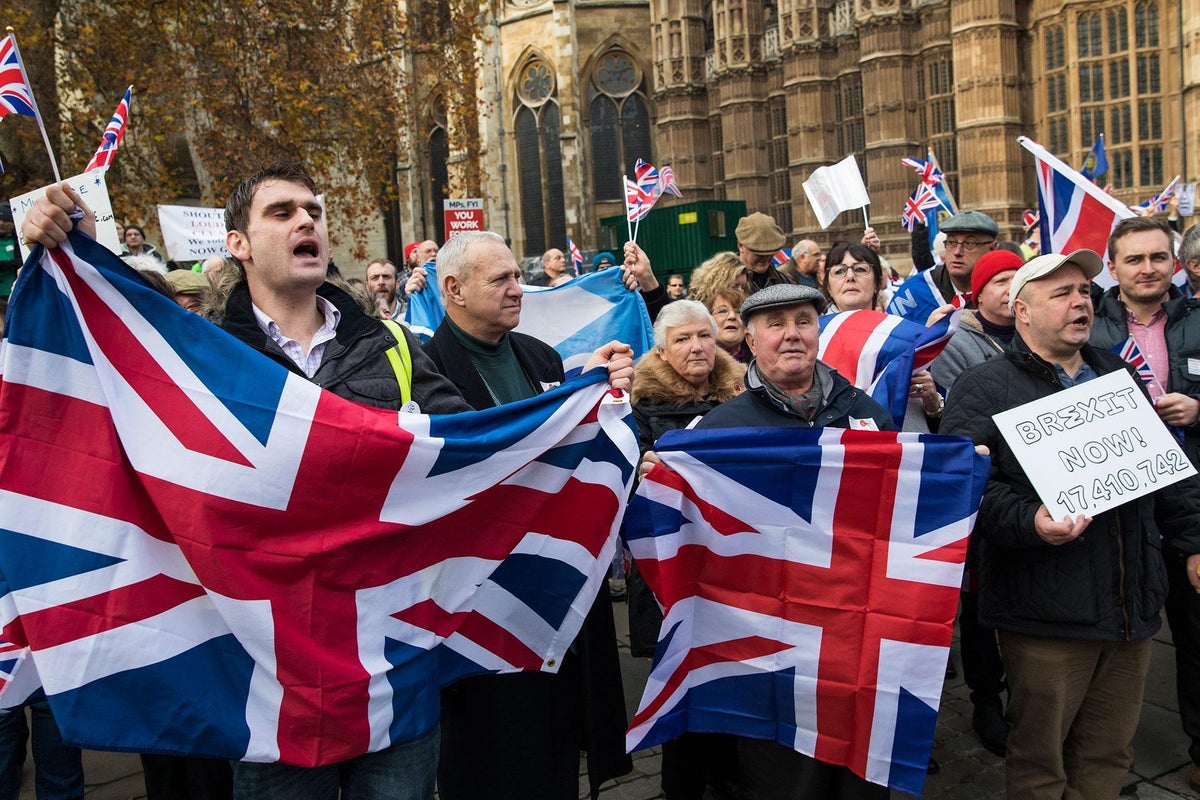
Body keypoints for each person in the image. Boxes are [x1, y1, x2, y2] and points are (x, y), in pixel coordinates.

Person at [21, 162, 473, 800]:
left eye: (312, 209)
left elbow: (475, 453)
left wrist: (577, 412)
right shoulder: (198, 356)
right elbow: (102, 414)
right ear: (238, 244)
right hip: (268, 683)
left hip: (390, 667)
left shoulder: (393, 346)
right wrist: (79, 252)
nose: (306, 220)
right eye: (282, 212)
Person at [940, 249, 1200, 800]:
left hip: (1130, 605)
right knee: (1040, 763)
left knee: (1108, 755)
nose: (1080, 301)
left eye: (1084, 290)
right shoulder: (984, 387)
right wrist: (1030, 521)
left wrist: (1195, 540)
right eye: (1061, 293)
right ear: (1022, 311)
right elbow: (966, 492)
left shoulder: (1117, 371)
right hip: (1045, 616)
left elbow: (1162, 471)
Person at [646, 284, 893, 799]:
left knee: (860, 775)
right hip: (770, 644)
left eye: (803, 321)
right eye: (775, 325)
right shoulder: (720, 430)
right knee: (785, 777)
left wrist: (958, 475)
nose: (791, 335)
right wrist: (659, 483)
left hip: (855, 633)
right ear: (751, 342)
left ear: (818, 331)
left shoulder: (867, 414)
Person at [421, 230, 634, 800]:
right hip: (477, 596)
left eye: (519, 276)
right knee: (493, 746)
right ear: (454, 290)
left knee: (555, 737)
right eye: (503, 280)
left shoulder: (538, 356)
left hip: (549, 584)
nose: (520, 289)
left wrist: (598, 394)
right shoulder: (424, 365)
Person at [1088, 215, 1200, 791]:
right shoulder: (1088, 329)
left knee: (1197, 634)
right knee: (1115, 639)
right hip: (1120, 507)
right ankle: (1110, 758)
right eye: (1134, 259)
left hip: (1193, 504)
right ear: (1113, 268)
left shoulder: (1199, 321)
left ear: (1174, 263)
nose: (1148, 268)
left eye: (1158, 257)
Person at [626, 299, 745, 799]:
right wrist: (641, 475)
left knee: (733, 684)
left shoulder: (745, 398)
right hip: (669, 578)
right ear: (661, 348)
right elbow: (617, 489)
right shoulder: (636, 409)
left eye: (704, 336)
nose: (697, 347)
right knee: (682, 693)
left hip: (733, 571)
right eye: (683, 339)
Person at [735, 213, 795, 292]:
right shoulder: (727, 284)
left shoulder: (783, 281)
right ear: (741, 246)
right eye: (759, 253)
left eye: (770, 252)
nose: (766, 257)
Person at [707, 288, 751, 363]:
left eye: (738, 311)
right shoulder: (700, 360)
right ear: (709, 319)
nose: (732, 316)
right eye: (723, 311)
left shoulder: (761, 359)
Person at [0, 202, 19, 299]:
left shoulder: (20, 242)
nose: (1, 223)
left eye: (5, 220)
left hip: (14, 294)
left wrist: (11, 264)